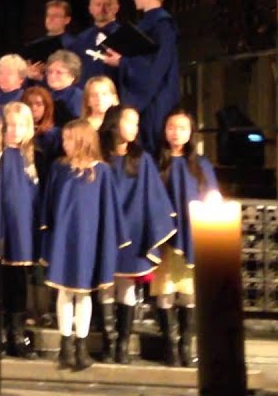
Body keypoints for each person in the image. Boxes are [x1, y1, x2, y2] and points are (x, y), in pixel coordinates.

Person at [40, 119, 126, 372]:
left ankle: (81, 345)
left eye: (69, 140)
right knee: (65, 292)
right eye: (64, 139)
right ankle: (65, 345)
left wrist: (106, 240)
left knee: (84, 293)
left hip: (90, 240)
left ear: (83, 140)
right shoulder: (59, 168)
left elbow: (108, 210)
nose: (64, 144)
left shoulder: (102, 172)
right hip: (64, 240)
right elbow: (50, 202)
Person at [98, 105, 177, 364]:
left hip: (133, 230)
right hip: (106, 227)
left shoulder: (141, 159)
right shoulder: (99, 155)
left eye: (137, 123)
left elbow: (152, 196)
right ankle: (109, 341)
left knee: (127, 285)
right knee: (105, 284)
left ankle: (122, 344)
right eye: (129, 122)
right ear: (113, 124)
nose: (135, 128)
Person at [154, 109, 218, 368]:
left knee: (189, 292)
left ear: (191, 132)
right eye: (171, 127)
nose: (176, 132)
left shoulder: (200, 164)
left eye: (181, 128)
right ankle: (170, 345)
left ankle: (186, 346)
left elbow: (211, 194)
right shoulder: (157, 160)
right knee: (166, 289)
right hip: (165, 236)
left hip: (191, 234)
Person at [0, 101, 40, 359]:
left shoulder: (34, 156)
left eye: (21, 125)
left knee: (19, 282)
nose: (16, 130)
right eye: (11, 125)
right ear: (2, 126)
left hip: (23, 229)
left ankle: (17, 335)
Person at [104, 0, 180, 152]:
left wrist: (123, 62)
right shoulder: (147, 23)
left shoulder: (163, 25)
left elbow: (157, 66)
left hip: (155, 99)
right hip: (149, 97)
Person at [75, 0, 122, 84]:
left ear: (116, 8)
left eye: (107, 4)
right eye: (98, 4)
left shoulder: (125, 35)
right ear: (90, 9)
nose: (102, 9)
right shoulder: (81, 38)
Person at [44, 49, 84, 125]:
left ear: (72, 76)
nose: (52, 76)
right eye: (50, 71)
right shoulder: (47, 95)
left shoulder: (78, 97)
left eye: (59, 72)